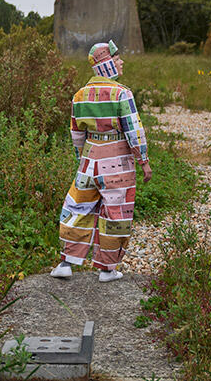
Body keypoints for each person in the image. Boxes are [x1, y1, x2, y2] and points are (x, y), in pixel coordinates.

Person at [51, 40, 152, 282]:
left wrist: (81, 158)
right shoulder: (122, 93)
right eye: (117, 59)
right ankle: (107, 269)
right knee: (116, 213)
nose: (122, 62)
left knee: (77, 208)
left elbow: (76, 133)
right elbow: (133, 130)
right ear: (108, 64)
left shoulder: (79, 95)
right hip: (117, 163)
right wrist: (144, 160)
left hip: (89, 161)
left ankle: (66, 263)